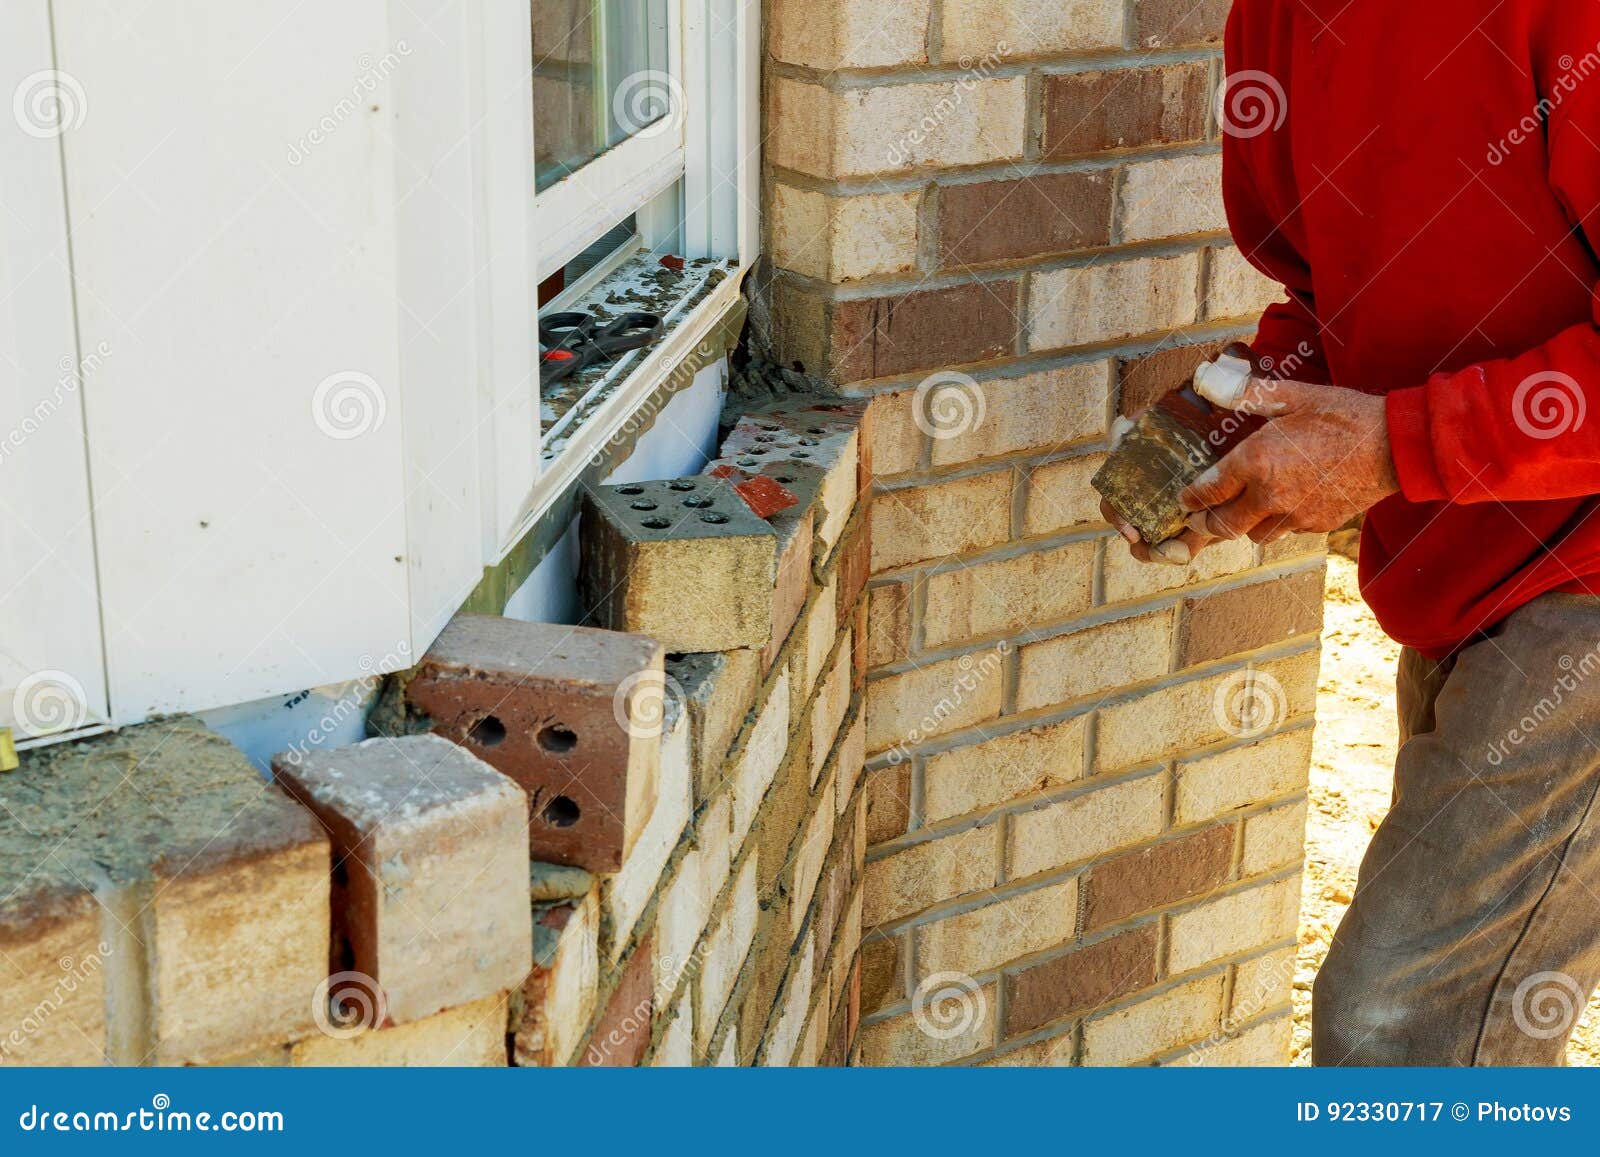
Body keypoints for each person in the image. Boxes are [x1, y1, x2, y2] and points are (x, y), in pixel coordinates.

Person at [1106, 0, 1600, 1065]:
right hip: (1466, 555)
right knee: (1467, 1028)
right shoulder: (1281, 17)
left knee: (1399, 1023)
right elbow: (1331, 295)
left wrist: (1393, 446)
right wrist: (1236, 418)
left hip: (1584, 583)